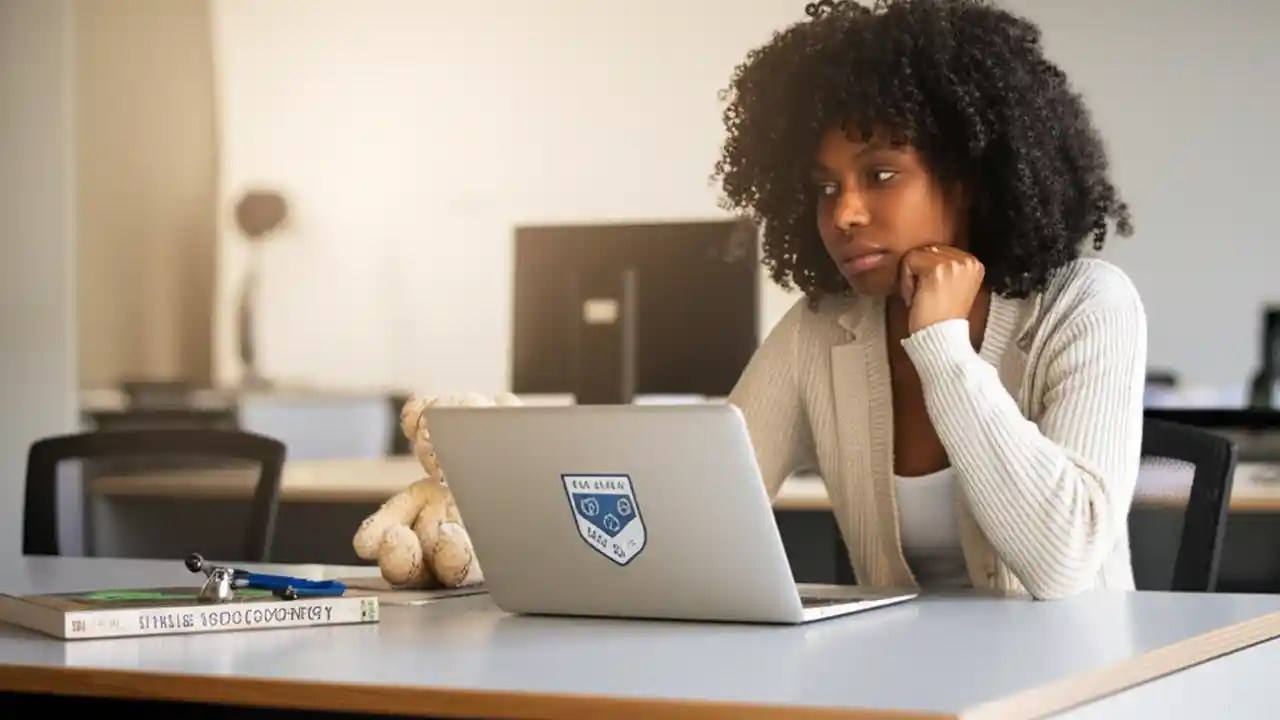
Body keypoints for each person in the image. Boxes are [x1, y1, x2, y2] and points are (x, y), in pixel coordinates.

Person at [714, 0, 1147, 600]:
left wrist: (943, 348)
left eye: (881, 175)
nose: (844, 214)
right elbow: (708, 510)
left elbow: (1062, 561)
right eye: (825, 188)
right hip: (900, 686)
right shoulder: (821, 330)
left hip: (1070, 681)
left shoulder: (1085, 305)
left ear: (967, 179)